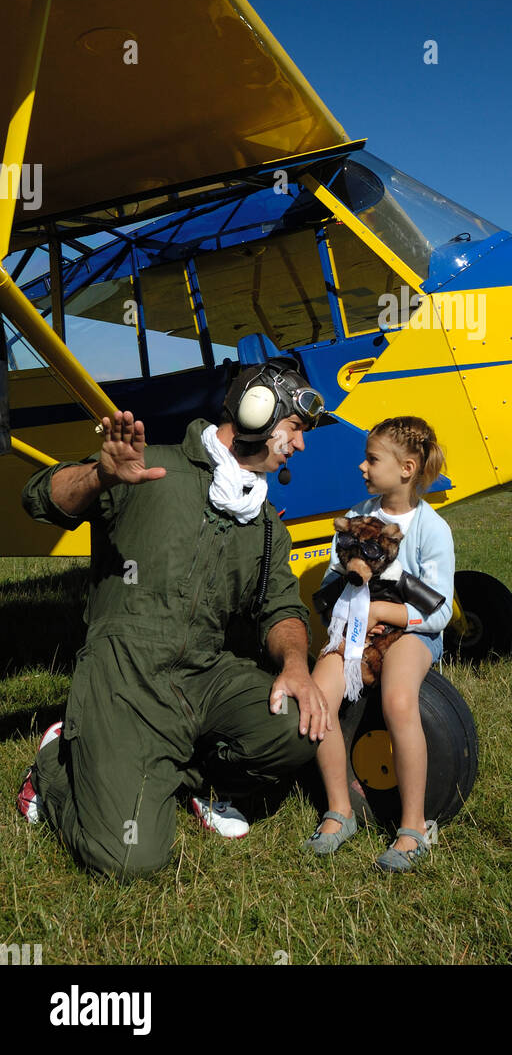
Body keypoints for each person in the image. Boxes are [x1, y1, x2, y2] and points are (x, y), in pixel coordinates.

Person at [15, 360, 332, 878]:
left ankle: (177, 776)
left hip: (203, 675)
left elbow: (281, 608)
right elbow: (39, 499)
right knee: (128, 858)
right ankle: (54, 766)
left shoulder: (266, 523)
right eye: (294, 429)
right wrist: (98, 475)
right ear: (259, 411)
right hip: (125, 672)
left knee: (299, 725)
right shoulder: (147, 468)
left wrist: (296, 663)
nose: (298, 445)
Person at [303, 415, 454, 872]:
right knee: (318, 695)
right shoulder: (356, 519)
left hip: (412, 632)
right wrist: (349, 612)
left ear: (407, 468)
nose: (362, 467)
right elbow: (332, 581)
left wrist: (384, 613)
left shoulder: (432, 528)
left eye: (372, 459)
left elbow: (440, 611)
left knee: (398, 698)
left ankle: (413, 827)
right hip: (355, 629)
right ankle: (339, 810)